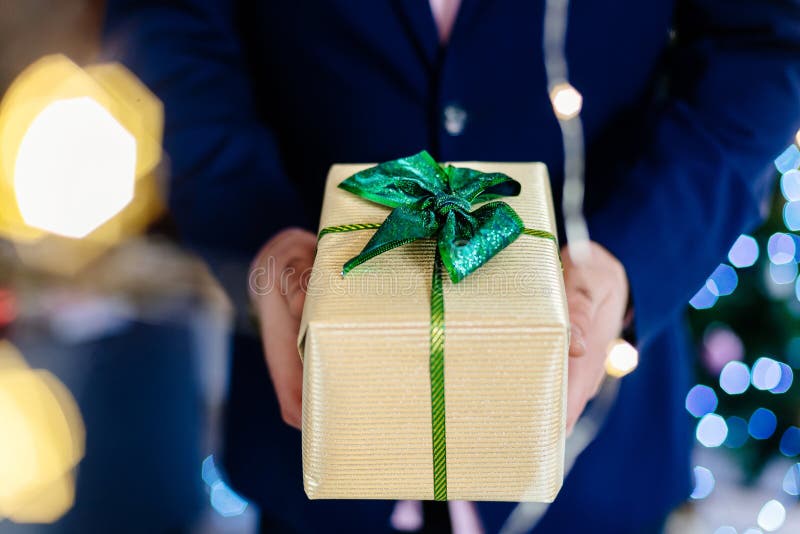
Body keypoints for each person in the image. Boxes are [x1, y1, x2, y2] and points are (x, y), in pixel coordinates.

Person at [103, 1, 800, 532]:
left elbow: (764, 42)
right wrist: (252, 225)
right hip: (309, 454)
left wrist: (633, 260)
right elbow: (170, 25)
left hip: (598, 462)